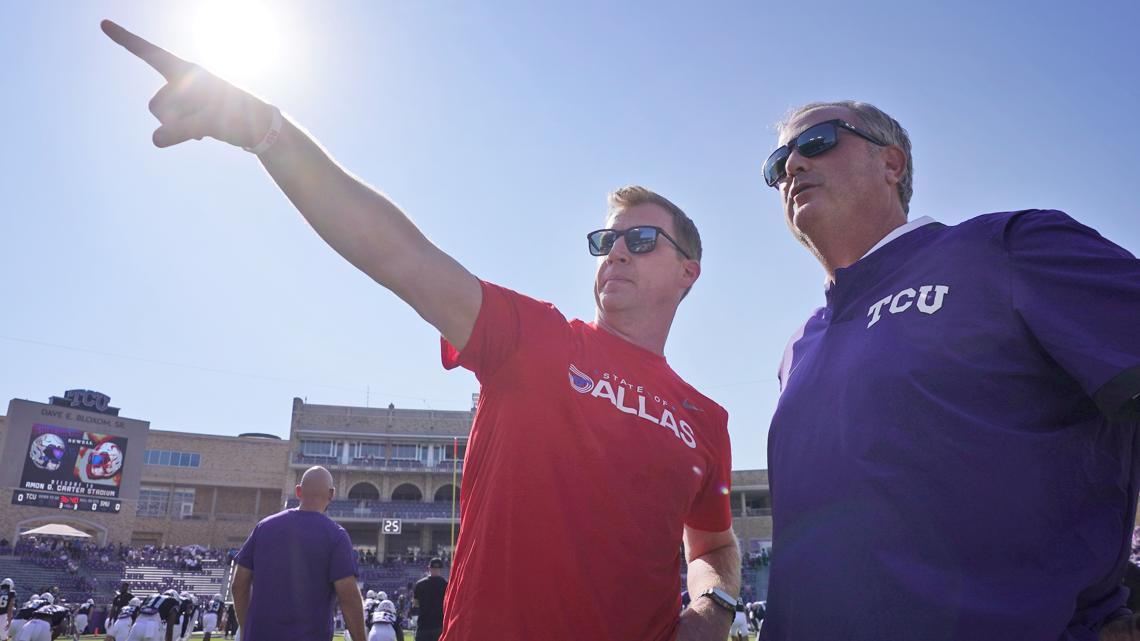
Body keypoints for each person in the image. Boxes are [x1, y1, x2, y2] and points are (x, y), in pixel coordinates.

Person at [102, 19, 740, 641]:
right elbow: (400, 254)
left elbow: (713, 542)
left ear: (689, 272)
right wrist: (270, 131)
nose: (617, 251)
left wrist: (713, 610)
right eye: (607, 239)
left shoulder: (705, 418)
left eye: (641, 239)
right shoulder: (537, 337)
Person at [760, 100, 1140, 641]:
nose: (792, 165)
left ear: (892, 165)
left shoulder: (1002, 249)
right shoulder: (799, 346)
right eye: (777, 163)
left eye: (817, 141)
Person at [229, 466, 366, 641]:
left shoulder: (264, 527)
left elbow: (238, 584)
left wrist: (246, 629)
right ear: (331, 494)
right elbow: (348, 597)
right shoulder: (336, 535)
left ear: (298, 491)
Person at [411, 559, 447, 641]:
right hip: (439, 625)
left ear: (429, 568)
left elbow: (415, 604)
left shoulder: (419, 584)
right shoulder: (446, 585)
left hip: (423, 625)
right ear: (441, 569)